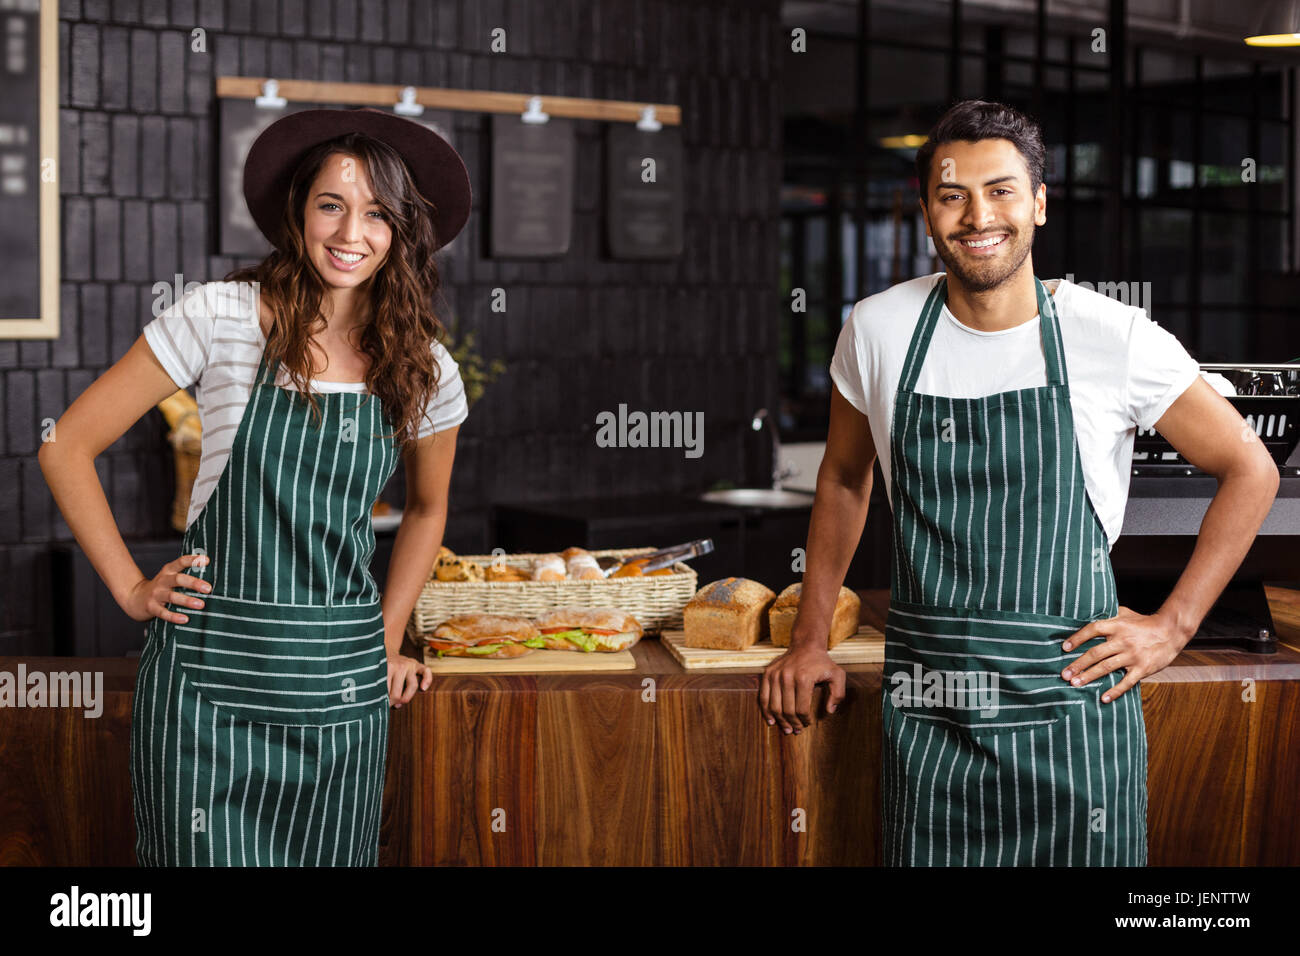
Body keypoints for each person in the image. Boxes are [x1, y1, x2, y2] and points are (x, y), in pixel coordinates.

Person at [758, 99, 1279, 866]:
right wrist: (809, 641)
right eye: (952, 194)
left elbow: (1251, 467)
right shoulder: (877, 328)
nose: (978, 216)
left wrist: (1173, 625)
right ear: (927, 211)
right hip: (931, 713)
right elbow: (841, 480)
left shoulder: (1112, 337)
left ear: (1038, 202)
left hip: (1072, 713)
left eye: (1000, 190)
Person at [38, 107, 473, 866]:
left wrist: (387, 634)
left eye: (376, 213)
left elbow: (429, 509)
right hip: (206, 696)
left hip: (341, 697)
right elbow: (66, 445)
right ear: (298, 213)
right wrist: (132, 588)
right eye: (331, 205)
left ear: (401, 230)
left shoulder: (425, 366)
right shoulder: (221, 316)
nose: (349, 233)